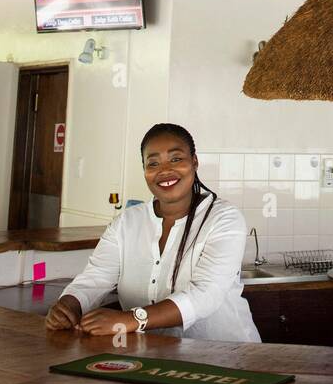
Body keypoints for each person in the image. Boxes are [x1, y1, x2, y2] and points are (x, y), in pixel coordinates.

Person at [46, 123, 261, 342]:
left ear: (194, 162)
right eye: (153, 163)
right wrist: (68, 306)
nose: (165, 170)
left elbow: (206, 294)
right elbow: (95, 278)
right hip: (152, 356)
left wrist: (131, 319)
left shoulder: (223, 218)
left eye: (176, 159)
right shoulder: (126, 223)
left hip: (226, 357)